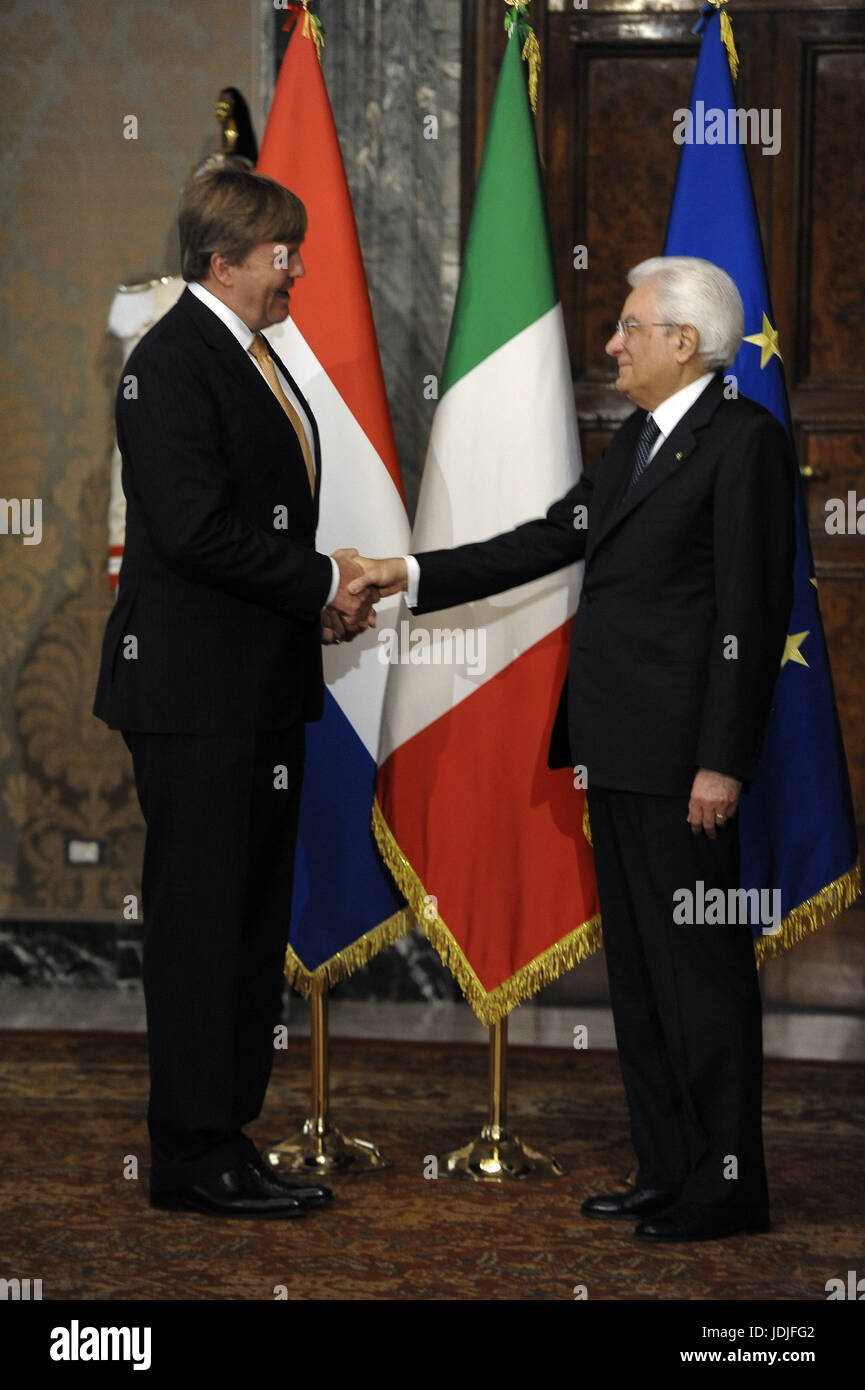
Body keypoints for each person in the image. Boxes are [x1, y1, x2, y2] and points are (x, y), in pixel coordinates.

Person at [350, 256, 796, 1242]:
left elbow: (749, 614)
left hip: (687, 764)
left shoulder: (744, 444)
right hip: (617, 751)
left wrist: (721, 762)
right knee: (640, 972)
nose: (611, 343)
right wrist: (406, 572)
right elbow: (546, 541)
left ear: (684, 342)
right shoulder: (637, 441)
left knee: (702, 972)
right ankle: (666, 1167)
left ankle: (726, 1185)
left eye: (629, 327)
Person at [93, 167, 375, 1218]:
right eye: (279, 252)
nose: (293, 268)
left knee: (251, 922)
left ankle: (226, 1133)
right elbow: (193, 531)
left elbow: (256, 520)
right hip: (193, 693)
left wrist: (314, 600)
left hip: (255, 683)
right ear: (224, 260)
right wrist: (317, 583)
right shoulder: (168, 363)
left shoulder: (246, 354)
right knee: (202, 923)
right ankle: (186, 1155)